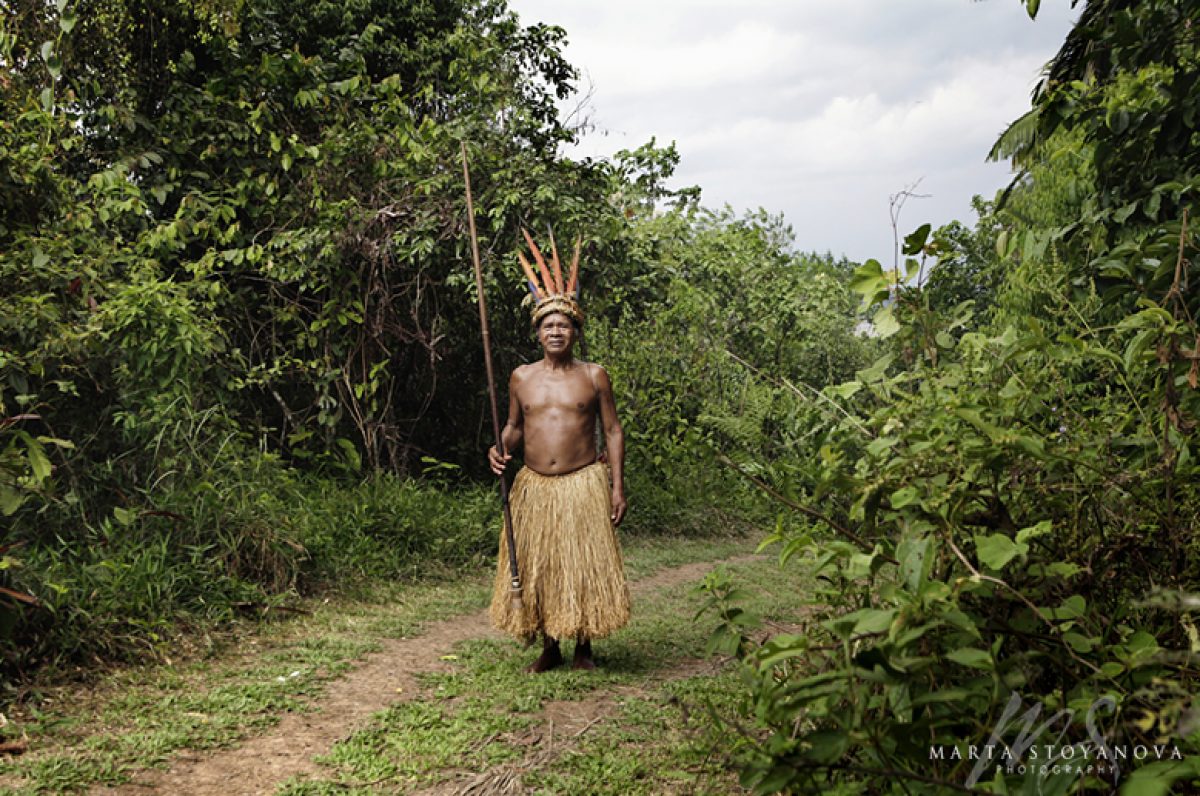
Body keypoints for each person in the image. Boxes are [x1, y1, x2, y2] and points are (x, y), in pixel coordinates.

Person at [487, 233, 630, 672]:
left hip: (583, 481)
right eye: (548, 325)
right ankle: (550, 646)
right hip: (534, 485)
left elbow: (612, 430)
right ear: (537, 331)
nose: (555, 331)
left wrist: (617, 487)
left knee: (582, 566)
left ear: (575, 330)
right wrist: (499, 449)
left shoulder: (594, 376)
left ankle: (583, 646)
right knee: (543, 566)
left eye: (563, 325)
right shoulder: (521, 377)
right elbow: (514, 427)